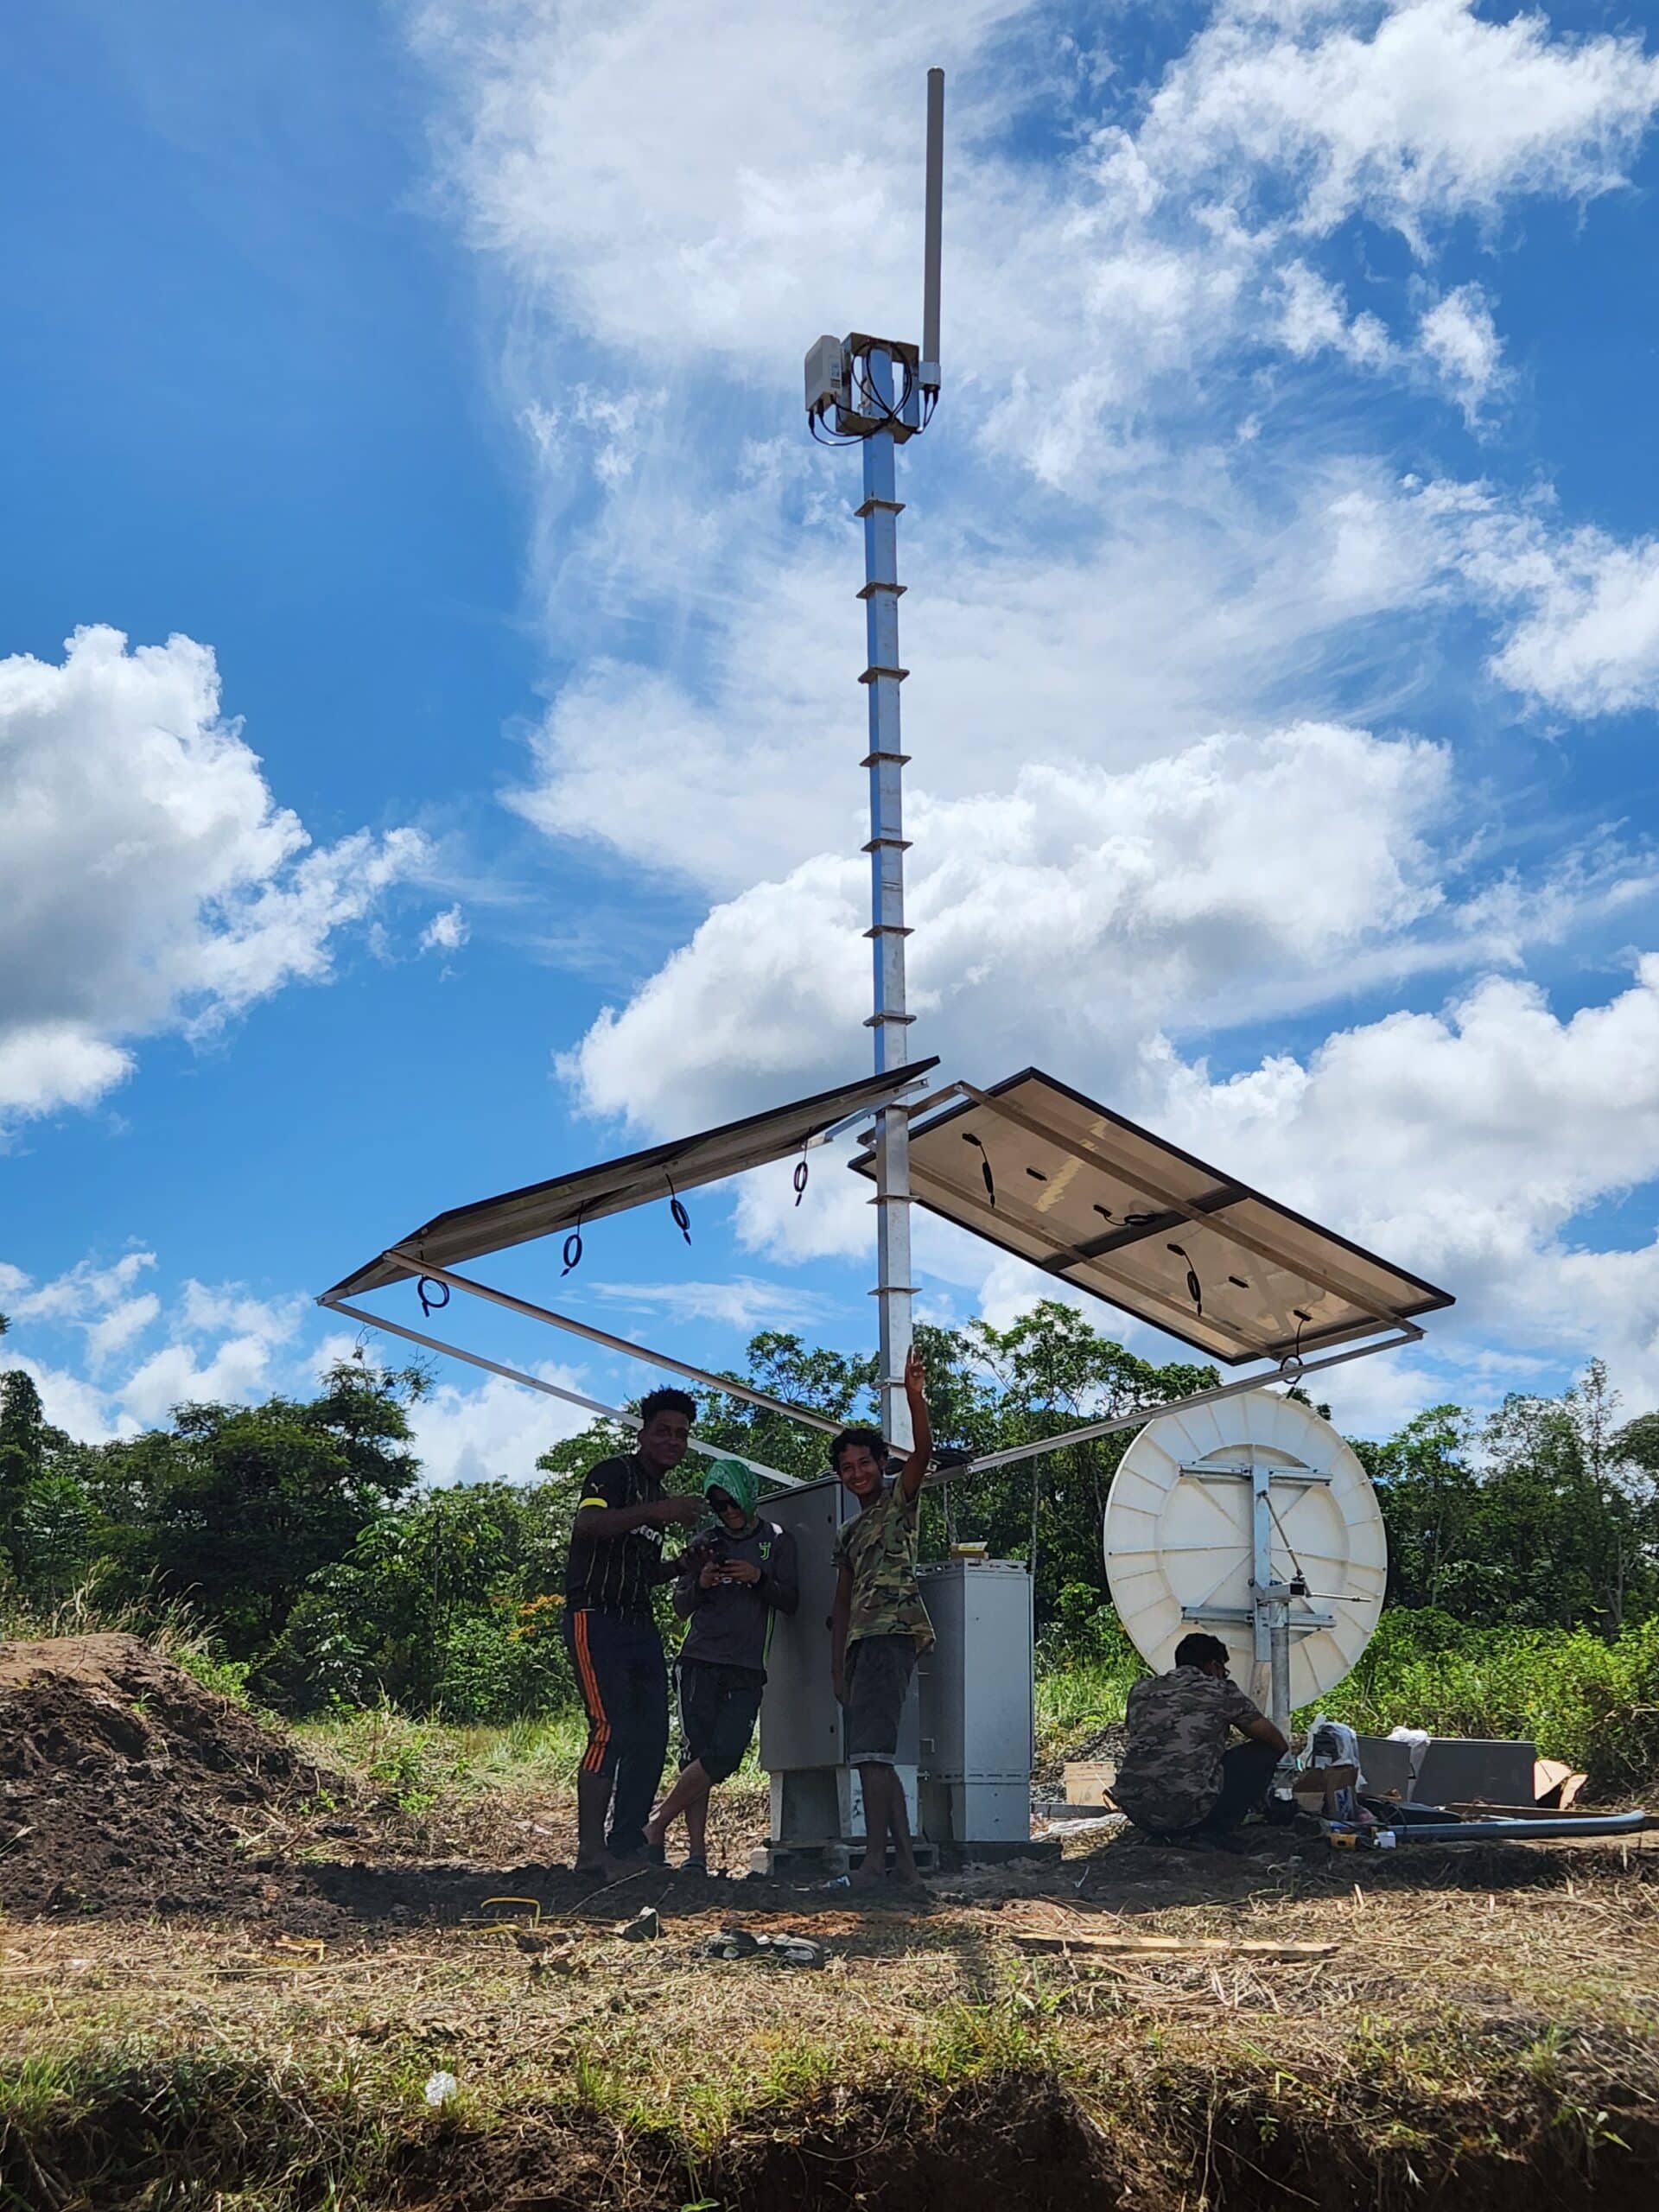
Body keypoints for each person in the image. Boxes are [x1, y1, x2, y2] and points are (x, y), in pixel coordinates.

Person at [563, 1387, 702, 1878]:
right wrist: (656, 1514)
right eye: (663, 1432)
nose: (672, 1441)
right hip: (595, 1616)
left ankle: (627, 1848)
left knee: (650, 1734)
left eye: (681, 1435)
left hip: (637, 1621)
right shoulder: (613, 1474)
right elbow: (589, 1526)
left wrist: (682, 1566)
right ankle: (590, 1853)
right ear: (642, 1435)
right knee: (608, 1729)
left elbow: (641, 1571)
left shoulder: (658, 1495)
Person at [643, 1458, 799, 1874]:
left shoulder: (776, 1540)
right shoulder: (705, 1541)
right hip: (699, 1659)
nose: (727, 1511)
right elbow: (679, 1606)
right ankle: (696, 1855)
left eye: (732, 1502)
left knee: (726, 1753)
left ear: (748, 1496)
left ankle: (656, 1823)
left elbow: (792, 1601)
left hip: (747, 1664)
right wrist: (702, 1582)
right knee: (695, 1752)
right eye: (718, 1505)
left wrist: (757, 1578)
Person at [829, 1348, 932, 1892]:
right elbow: (841, 1603)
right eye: (846, 1468)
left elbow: (925, 1452)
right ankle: (905, 1870)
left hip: (894, 1632)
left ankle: (874, 1864)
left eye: (864, 1463)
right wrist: (836, 1668)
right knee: (875, 1756)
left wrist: (914, 1397)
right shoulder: (847, 1533)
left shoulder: (900, 1502)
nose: (856, 1474)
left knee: (871, 1754)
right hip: (861, 1644)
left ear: (880, 1463)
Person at [1109, 1631, 1289, 1852]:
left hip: (1139, 1812)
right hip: (1187, 1814)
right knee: (1264, 1752)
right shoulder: (1220, 1690)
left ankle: (1170, 1829)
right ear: (1214, 1667)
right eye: (1223, 1670)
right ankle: (1215, 1830)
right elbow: (1276, 1742)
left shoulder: (1141, 1690)